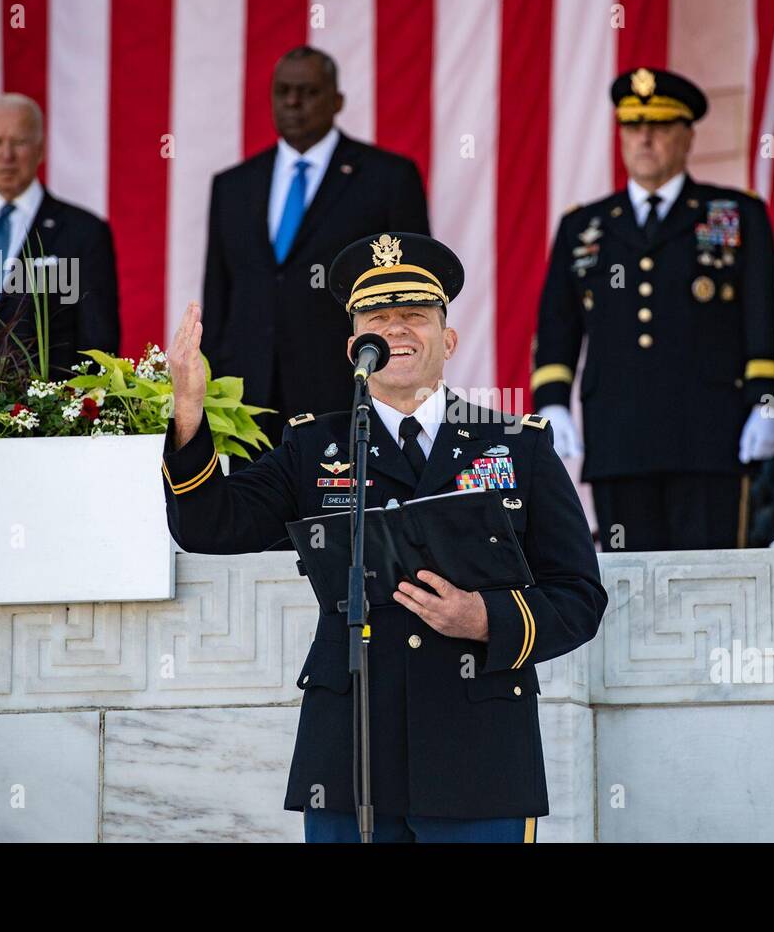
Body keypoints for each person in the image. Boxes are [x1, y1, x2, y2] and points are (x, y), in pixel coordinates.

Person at [162, 232, 607, 843]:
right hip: (349, 753)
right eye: (377, 317)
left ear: (447, 340)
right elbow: (206, 527)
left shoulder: (519, 444)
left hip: (479, 755)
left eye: (414, 316)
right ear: (354, 347)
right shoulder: (312, 446)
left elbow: (579, 595)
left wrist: (484, 617)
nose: (396, 329)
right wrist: (188, 410)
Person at [531, 67, 774, 550]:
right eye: (632, 126)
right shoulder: (586, 226)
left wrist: (766, 402)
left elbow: (762, 316)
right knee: (630, 587)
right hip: (618, 439)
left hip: (711, 435)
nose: (644, 139)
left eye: (660, 126)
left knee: (713, 584)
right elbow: (557, 325)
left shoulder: (731, 214)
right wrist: (553, 404)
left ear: (688, 136)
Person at [200, 46, 429, 447]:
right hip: (246, 401)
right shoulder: (233, 186)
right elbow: (219, 295)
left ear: (336, 100)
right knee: (251, 507)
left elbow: (412, 292)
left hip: (345, 390)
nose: (293, 102)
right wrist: (215, 385)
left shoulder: (388, 179)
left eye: (307, 92)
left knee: (339, 509)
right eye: (283, 91)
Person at [0, 93, 120, 377]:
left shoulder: (83, 232)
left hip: (49, 416)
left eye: (19, 142)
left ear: (40, 149)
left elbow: (100, 347)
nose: (7, 155)